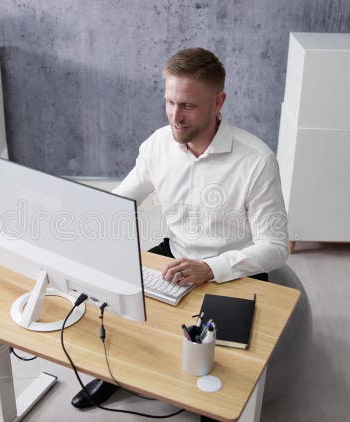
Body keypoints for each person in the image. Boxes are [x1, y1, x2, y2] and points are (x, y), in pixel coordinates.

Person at [70, 47, 289, 409]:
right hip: (175, 255)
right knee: (114, 303)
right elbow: (122, 200)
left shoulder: (257, 161)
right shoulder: (158, 144)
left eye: (188, 106)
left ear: (219, 101)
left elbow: (276, 247)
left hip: (235, 272)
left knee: (219, 373)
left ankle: (215, 408)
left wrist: (210, 269)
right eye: (170, 102)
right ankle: (112, 373)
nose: (176, 116)